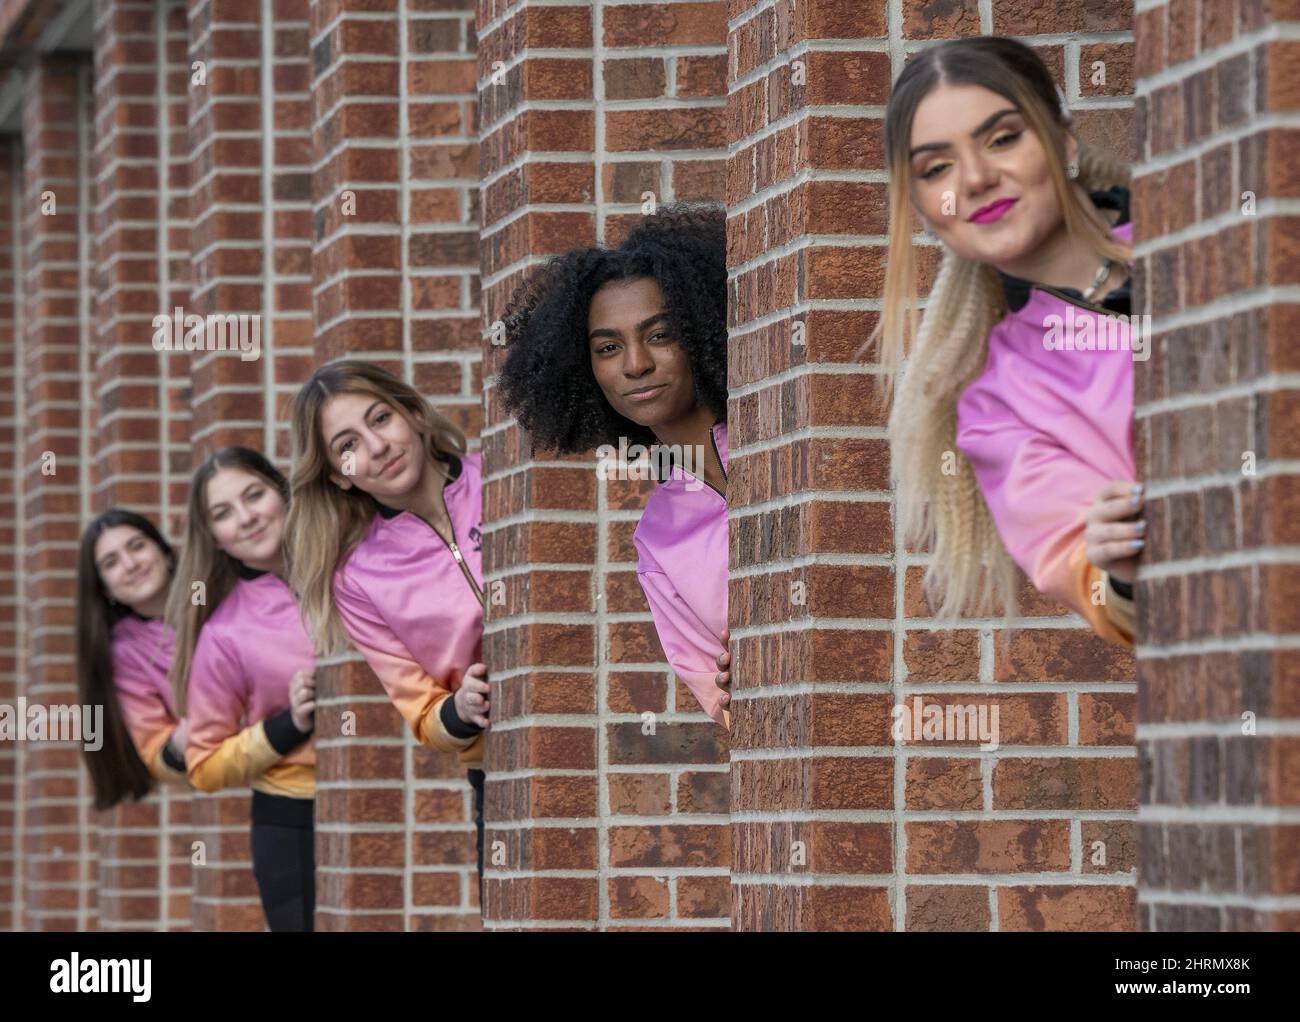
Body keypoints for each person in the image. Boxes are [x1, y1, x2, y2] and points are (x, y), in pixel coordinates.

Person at [874, 36, 1141, 647]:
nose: (974, 178)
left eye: (1002, 138)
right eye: (935, 168)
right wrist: (1118, 567)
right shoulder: (999, 408)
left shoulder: (1205, 226)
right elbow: (1103, 596)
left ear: (1064, 141)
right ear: (921, 207)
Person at [499, 204, 732, 723]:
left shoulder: (776, 439)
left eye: (659, 335)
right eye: (608, 347)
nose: (635, 364)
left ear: (701, 333)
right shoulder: (658, 537)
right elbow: (722, 704)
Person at [286, 360, 490, 896]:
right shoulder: (358, 577)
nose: (377, 447)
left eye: (381, 418)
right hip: (499, 768)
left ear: (414, 414)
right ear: (337, 473)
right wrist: (464, 708)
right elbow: (422, 711)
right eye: (348, 444)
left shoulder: (500, 475)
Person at [166, 447, 317, 931]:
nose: (247, 518)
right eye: (224, 514)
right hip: (294, 826)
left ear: (282, 492)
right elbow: (204, 764)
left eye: (255, 495)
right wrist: (287, 725)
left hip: (386, 792)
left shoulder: (349, 564)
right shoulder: (224, 632)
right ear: (214, 538)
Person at [75, 509, 187, 809]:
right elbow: (157, 749)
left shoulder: (216, 595)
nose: (130, 564)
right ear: (104, 587)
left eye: (137, 546)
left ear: (164, 551)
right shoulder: (124, 653)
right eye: (110, 563)